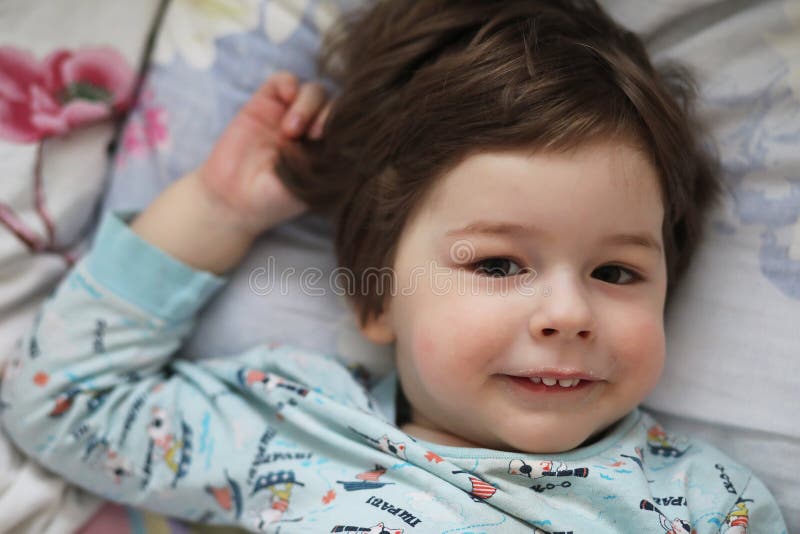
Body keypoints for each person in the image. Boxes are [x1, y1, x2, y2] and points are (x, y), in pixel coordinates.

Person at [0, 0, 788, 532]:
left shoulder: (708, 502)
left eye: (615, 273)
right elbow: (66, 403)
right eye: (498, 264)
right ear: (377, 298)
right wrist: (218, 209)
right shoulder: (294, 432)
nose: (568, 314)